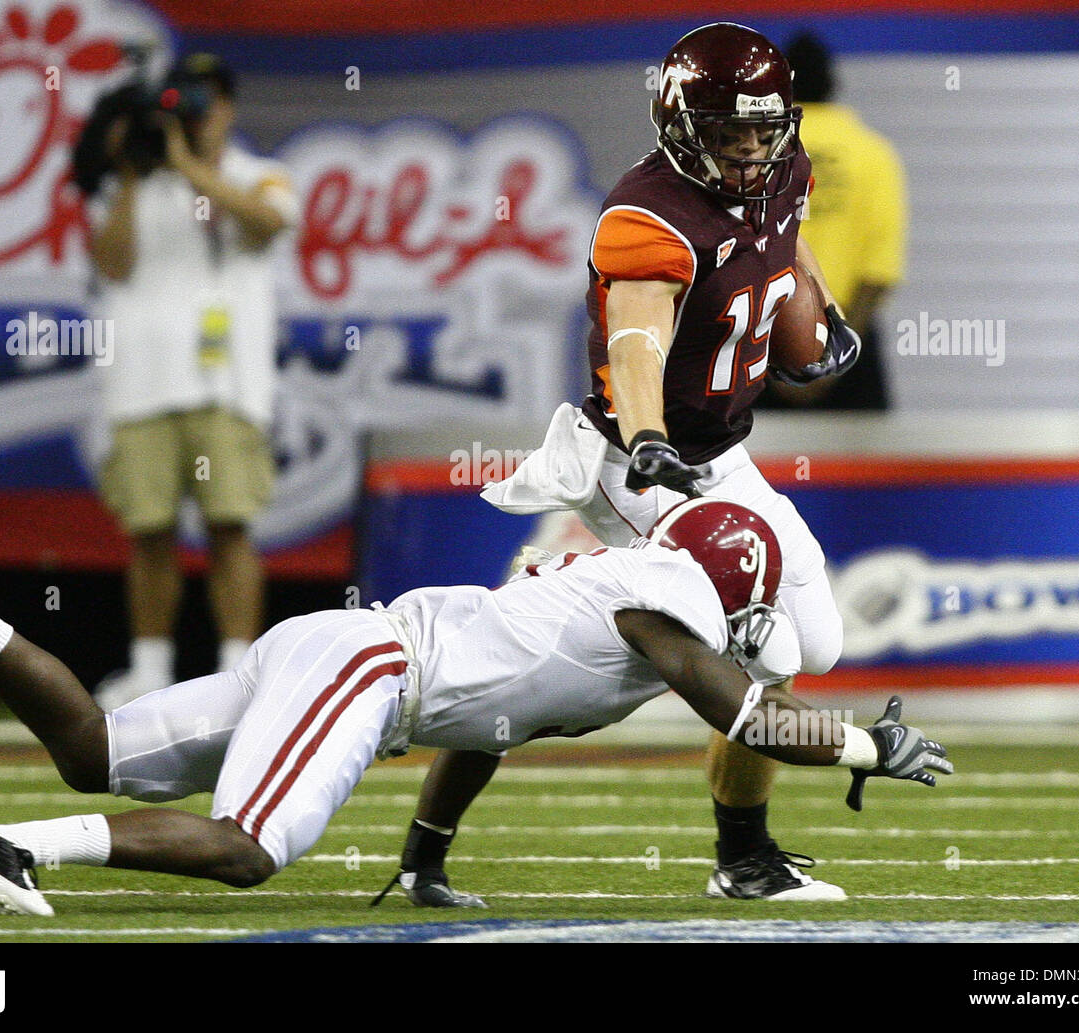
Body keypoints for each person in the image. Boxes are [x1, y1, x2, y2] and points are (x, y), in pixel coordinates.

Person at [0, 511, 950, 916]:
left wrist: (425, 856)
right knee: (250, 852)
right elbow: (753, 716)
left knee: (95, 751)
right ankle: (9, 845)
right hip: (369, 669)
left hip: (349, 654)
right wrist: (867, 742)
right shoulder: (665, 612)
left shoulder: (618, 588)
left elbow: (491, 729)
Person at [386, 22, 867, 907]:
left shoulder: (781, 172)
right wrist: (647, 438)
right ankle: (745, 857)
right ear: (682, 127)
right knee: (758, 645)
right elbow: (639, 337)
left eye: (767, 130)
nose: (754, 151)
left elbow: (784, 230)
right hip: (635, 461)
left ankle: (733, 840)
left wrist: (821, 306)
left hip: (724, 455)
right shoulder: (649, 215)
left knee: (818, 643)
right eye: (732, 133)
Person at [83, 53, 296, 709]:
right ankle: (150, 668)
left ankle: (239, 671)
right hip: (143, 383)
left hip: (226, 387)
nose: (196, 115)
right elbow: (112, 265)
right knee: (148, 531)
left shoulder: (258, 175)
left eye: (206, 102)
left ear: (228, 108)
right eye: (184, 103)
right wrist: (128, 170)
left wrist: (187, 163)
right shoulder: (130, 186)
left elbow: (270, 223)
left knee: (230, 524)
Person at [755, 30, 907, 411]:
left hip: (759, 339)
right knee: (859, 469)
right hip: (848, 335)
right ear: (834, 83)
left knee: (753, 467)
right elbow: (878, 274)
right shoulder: (873, 153)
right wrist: (836, 360)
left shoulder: (753, 153)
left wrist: (773, 356)